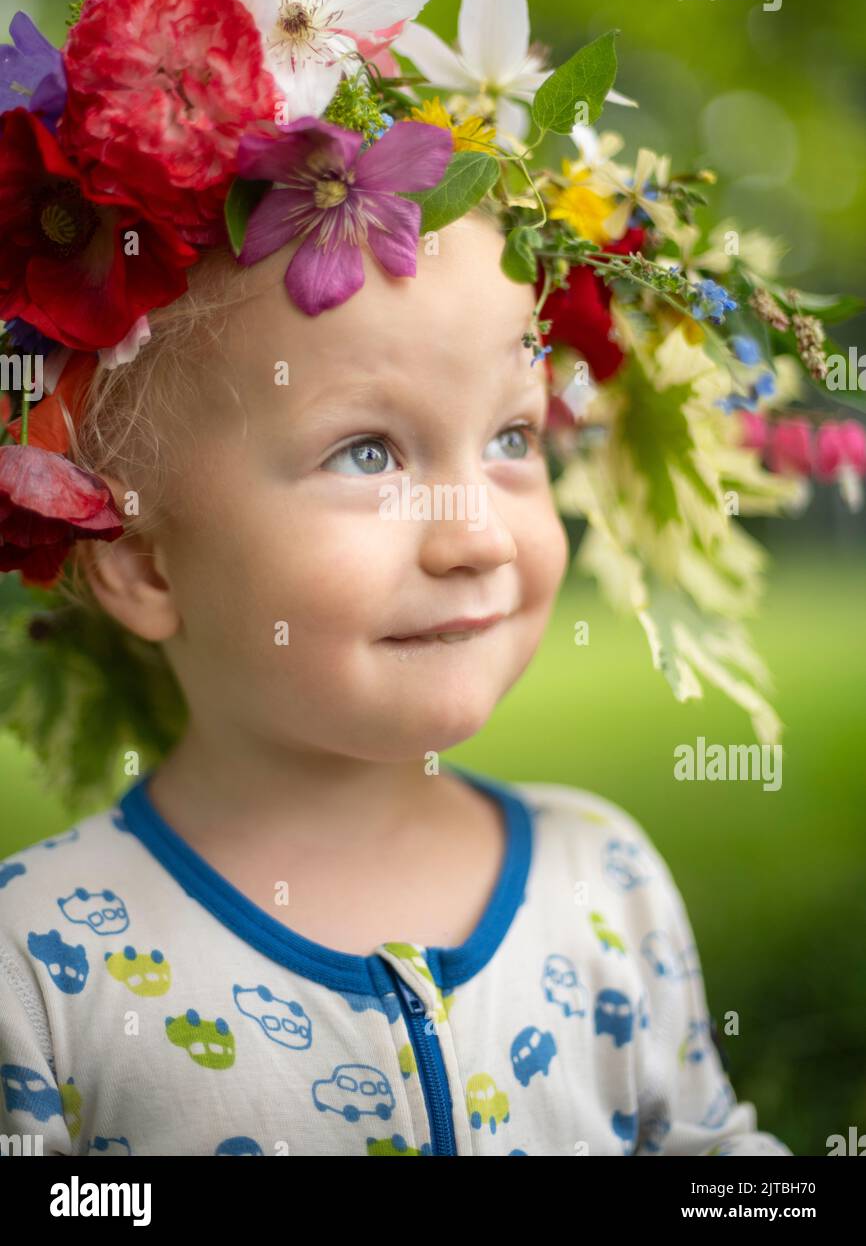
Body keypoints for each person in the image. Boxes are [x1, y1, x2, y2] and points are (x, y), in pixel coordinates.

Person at [0, 211, 790, 1156]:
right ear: (145, 566)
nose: (479, 537)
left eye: (512, 437)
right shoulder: (43, 965)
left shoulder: (605, 884)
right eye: (368, 453)